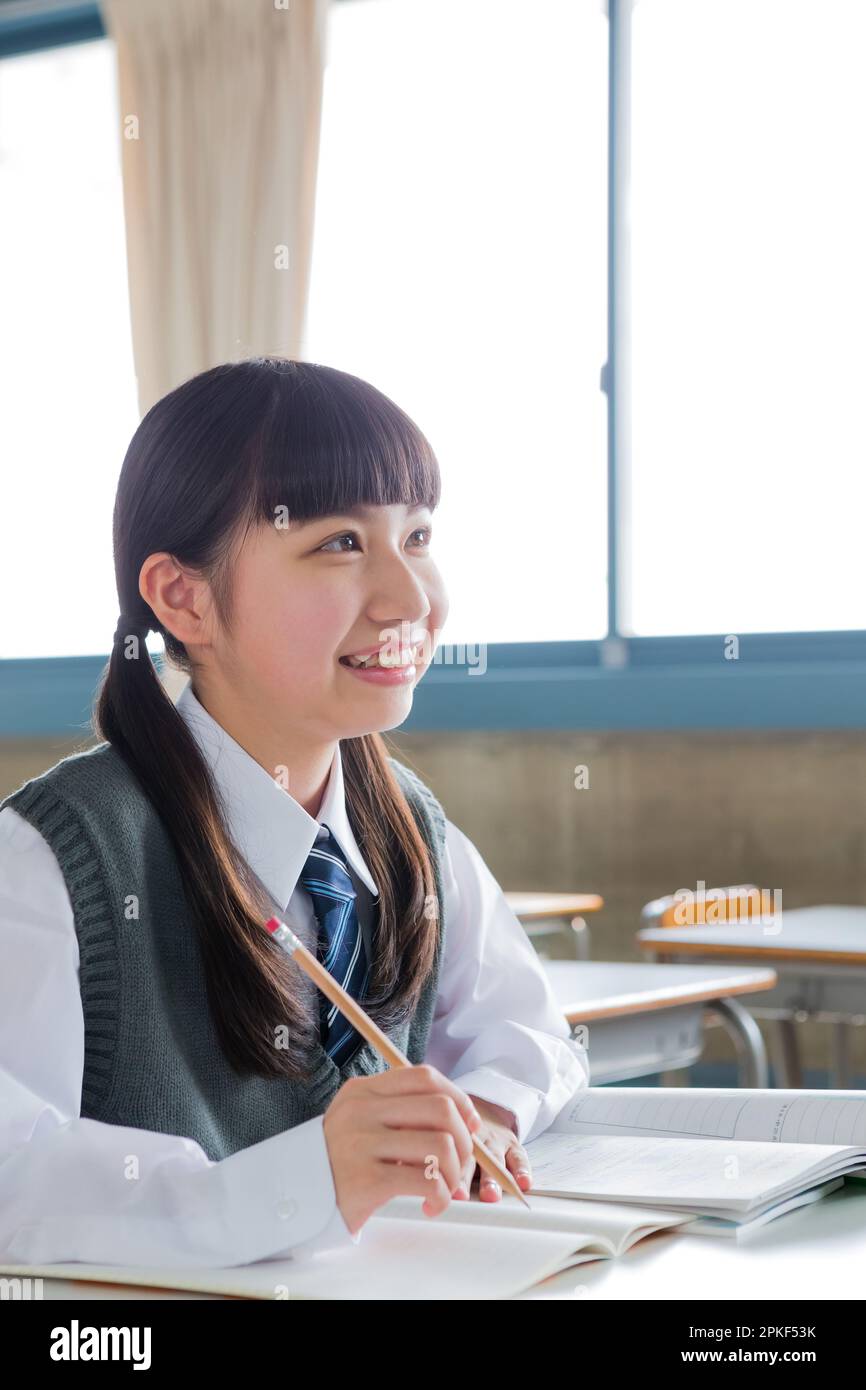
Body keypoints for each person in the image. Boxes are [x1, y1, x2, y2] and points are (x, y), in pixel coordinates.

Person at [0, 357, 589, 1269]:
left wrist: (485, 1114)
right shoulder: (52, 861)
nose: (410, 600)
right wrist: (305, 1182)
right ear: (183, 596)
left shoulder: (410, 829)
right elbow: (14, 1178)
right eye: (340, 544)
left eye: (419, 536)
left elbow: (530, 1033)